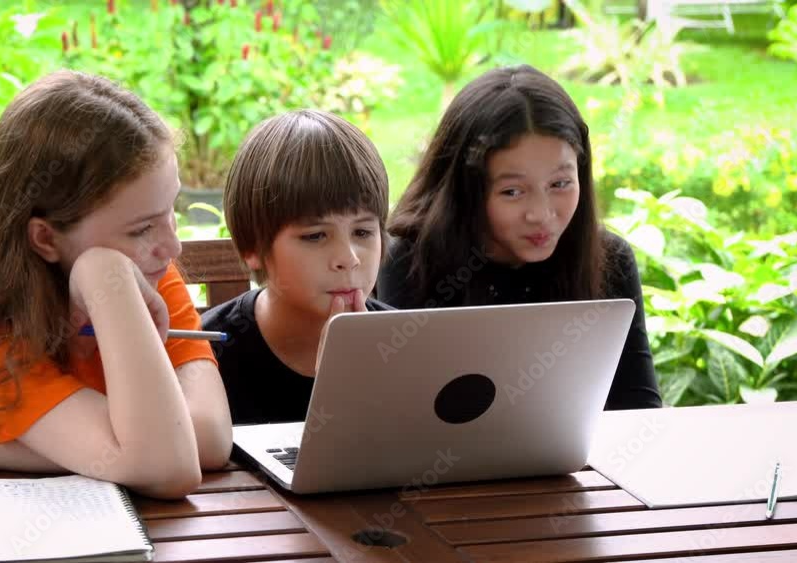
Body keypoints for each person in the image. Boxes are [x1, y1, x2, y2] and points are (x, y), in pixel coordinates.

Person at [0, 71, 233, 498]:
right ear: (46, 238)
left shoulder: (153, 272)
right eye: (142, 228)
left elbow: (211, 439)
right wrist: (102, 274)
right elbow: (169, 466)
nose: (172, 246)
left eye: (170, 210)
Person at [377, 65, 662, 410]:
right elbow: (405, 416)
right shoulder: (410, 259)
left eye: (560, 184)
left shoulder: (608, 258)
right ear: (466, 190)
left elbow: (638, 407)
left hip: (575, 464)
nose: (541, 214)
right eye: (513, 191)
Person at [202, 110, 393, 425]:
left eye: (362, 232)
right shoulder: (206, 355)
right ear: (252, 249)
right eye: (316, 236)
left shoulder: (410, 347)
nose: (349, 257)